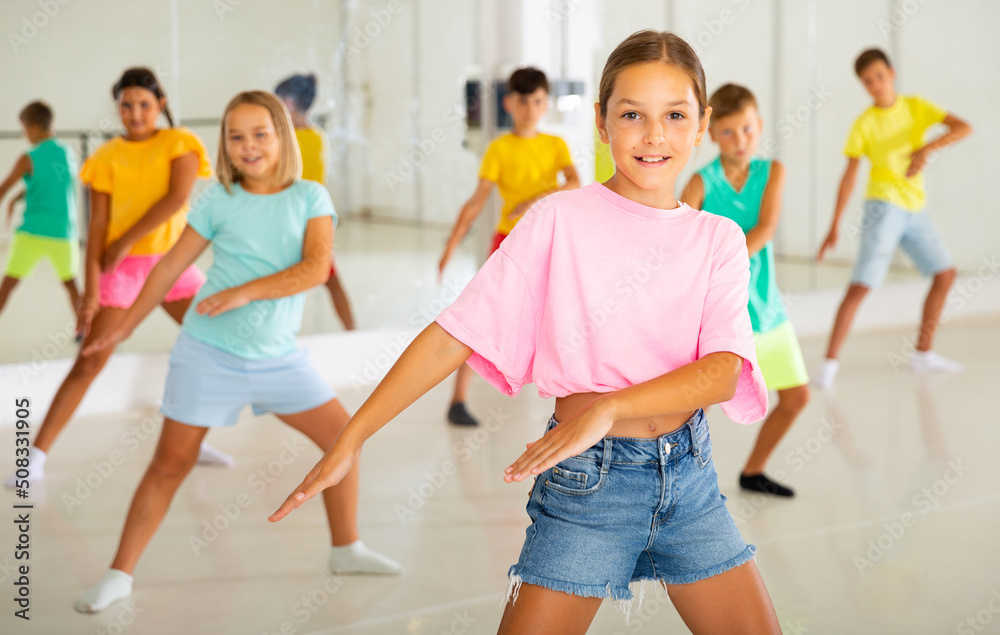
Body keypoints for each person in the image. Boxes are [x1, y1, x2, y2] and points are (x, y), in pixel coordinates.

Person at [271, 31, 781, 634]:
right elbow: (452, 335)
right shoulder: (557, 219)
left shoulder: (717, 239)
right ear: (600, 121)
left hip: (689, 480)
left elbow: (721, 372)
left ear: (701, 125)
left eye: (675, 115)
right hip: (587, 482)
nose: (654, 135)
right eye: (631, 115)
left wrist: (610, 405)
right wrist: (353, 437)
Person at [73, 91, 401, 614]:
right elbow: (165, 269)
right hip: (207, 353)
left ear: (280, 137)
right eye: (235, 136)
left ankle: (346, 548)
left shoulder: (310, 197)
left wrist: (244, 292)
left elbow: (316, 268)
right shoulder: (218, 199)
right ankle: (119, 574)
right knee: (168, 466)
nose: (248, 146)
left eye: (259, 134)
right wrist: (124, 328)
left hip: (279, 360)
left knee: (345, 441)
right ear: (225, 145)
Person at [3, 68, 231, 489]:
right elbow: (97, 234)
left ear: (160, 105)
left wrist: (125, 241)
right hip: (120, 273)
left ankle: (191, 442)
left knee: (216, 343)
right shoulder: (104, 159)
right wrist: (90, 294)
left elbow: (176, 199)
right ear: (118, 110)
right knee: (90, 360)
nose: (135, 112)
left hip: (171, 264)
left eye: (144, 104)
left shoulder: (180, 143)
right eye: (126, 105)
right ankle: (34, 457)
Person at [814, 48, 973, 388]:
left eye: (879, 77)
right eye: (867, 81)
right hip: (883, 207)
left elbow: (963, 127)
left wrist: (927, 149)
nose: (875, 85)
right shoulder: (865, 123)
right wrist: (833, 225)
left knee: (945, 274)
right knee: (862, 285)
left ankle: (923, 354)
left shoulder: (916, 107)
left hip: (916, 208)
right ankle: (828, 365)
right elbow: (849, 177)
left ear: (892, 73)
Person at [682, 84, 809, 498]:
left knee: (795, 397)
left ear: (760, 126)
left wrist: (729, 260)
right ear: (712, 132)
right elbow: (681, 242)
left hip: (766, 310)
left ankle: (753, 471)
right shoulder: (700, 183)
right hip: (718, 316)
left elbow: (767, 227)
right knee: (690, 405)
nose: (741, 140)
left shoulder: (773, 171)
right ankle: (679, 486)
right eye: (730, 132)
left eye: (748, 130)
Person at [438, 66, 579, 426]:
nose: (530, 108)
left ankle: (575, 402)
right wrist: (450, 246)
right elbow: (476, 201)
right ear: (509, 104)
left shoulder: (555, 144)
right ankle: (457, 400)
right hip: (508, 243)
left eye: (536, 101)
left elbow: (574, 183)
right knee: (482, 318)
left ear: (545, 103)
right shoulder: (499, 149)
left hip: (548, 242)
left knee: (565, 319)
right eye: (523, 101)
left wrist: (533, 201)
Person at [275, 73, 356, 331]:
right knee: (329, 281)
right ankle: (352, 331)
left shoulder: (288, 138)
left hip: (294, 221)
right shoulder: (317, 136)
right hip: (310, 219)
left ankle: (277, 333)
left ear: (289, 103)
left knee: (284, 282)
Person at [0, 101, 80, 321]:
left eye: (24, 129)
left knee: (7, 285)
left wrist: (10, 197)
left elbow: (3, 188)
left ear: (33, 128)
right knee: (72, 286)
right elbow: (48, 186)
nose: (25, 134)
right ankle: (86, 332)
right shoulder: (67, 154)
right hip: (63, 232)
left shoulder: (29, 157)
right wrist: (18, 197)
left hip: (33, 232)